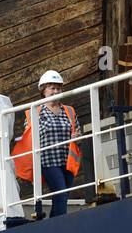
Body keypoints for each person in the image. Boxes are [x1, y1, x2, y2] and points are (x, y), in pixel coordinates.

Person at [11, 70, 82, 218]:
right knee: (61, 194)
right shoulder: (34, 112)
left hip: (67, 161)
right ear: (43, 90)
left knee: (61, 197)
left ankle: (53, 224)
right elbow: (29, 138)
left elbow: (78, 135)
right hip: (48, 161)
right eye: (52, 88)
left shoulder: (69, 110)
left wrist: (77, 136)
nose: (55, 91)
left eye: (58, 88)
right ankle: (61, 225)